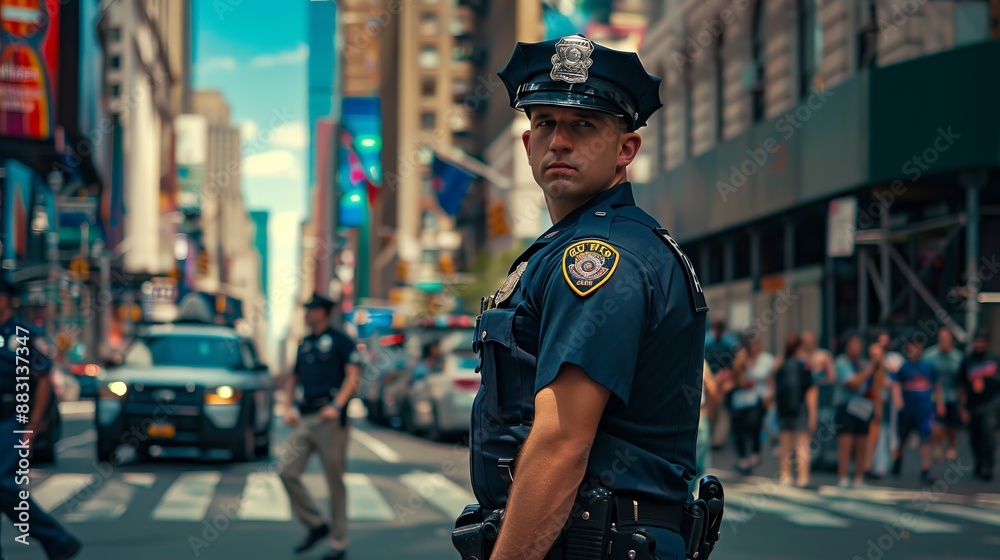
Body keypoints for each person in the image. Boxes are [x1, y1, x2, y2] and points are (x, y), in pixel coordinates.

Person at [462, 34, 710, 560]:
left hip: (598, 543)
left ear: (625, 149)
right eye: (545, 123)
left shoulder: (599, 257)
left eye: (583, 125)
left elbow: (562, 442)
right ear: (528, 145)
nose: (559, 141)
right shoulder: (575, 245)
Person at [0, 279, 82, 560]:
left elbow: (43, 378)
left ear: (6, 299)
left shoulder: (25, 335)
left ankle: (56, 539)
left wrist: (34, 422)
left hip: (11, 417)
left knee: (3, 483)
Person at [279, 294, 362, 560]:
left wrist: (337, 406)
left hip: (330, 420)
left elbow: (353, 377)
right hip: (306, 417)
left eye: (311, 310)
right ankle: (316, 525)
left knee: (334, 480)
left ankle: (338, 541)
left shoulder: (341, 341)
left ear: (322, 313)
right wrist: (287, 406)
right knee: (287, 471)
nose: (307, 314)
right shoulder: (305, 344)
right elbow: (293, 378)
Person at [833, 334, 885, 487]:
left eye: (859, 344)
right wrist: (871, 369)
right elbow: (853, 383)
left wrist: (878, 367)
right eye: (854, 344)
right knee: (846, 443)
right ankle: (842, 476)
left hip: (863, 407)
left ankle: (859, 477)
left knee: (862, 442)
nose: (857, 348)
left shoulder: (863, 363)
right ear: (847, 345)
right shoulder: (841, 362)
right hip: (846, 407)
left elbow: (876, 385)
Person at [890, 336, 942, 485]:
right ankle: (897, 462)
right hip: (907, 410)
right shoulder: (904, 367)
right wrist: (898, 401)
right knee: (902, 438)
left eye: (917, 347)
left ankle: (926, 471)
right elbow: (895, 384)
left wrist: (939, 403)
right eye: (912, 347)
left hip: (924, 410)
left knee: (925, 439)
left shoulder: (927, 366)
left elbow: (937, 384)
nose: (914, 350)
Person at [772, 334, 817, 487]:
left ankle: (785, 475)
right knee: (801, 445)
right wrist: (813, 414)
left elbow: (773, 384)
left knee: (785, 443)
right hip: (800, 407)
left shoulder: (781, 363)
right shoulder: (804, 364)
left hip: (784, 407)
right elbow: (811, 390)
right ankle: (802, 477)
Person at [730, 335, 774, 475]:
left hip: (756, 400)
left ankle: (754, 454)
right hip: (739, 401)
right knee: (739, 431)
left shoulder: (765, 359)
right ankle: (743, 459)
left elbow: (768, 378)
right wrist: (740, 364)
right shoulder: (740, 359)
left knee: (753, 427)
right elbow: (736, 379)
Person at [959, 329, 999, 481]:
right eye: (977, 341)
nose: (980, 344)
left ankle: (987, 467)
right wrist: (962, 407)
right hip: (973, 405)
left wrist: (985, 381)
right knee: (974, 437)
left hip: (991, 404)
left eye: (983, 341)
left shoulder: (995, 360)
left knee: (988, 434)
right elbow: (961, 384)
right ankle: (979, 462)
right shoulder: (968, 360)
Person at [924, 327, 964, 462]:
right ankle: (938, 446)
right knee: (937, 424)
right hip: (935, 396)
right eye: (942, 339)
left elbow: (962, 380)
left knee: (952, 425)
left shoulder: (958, 358)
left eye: (946, 339)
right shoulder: (929, 356)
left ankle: (952, 446)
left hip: (952, 395)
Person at [693, 360, 719, 497]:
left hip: (696, 416)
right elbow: (712, 387)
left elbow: (712, 387)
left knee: (695, 466)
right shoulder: (699, 358)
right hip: (698, 417)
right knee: (696, 467)